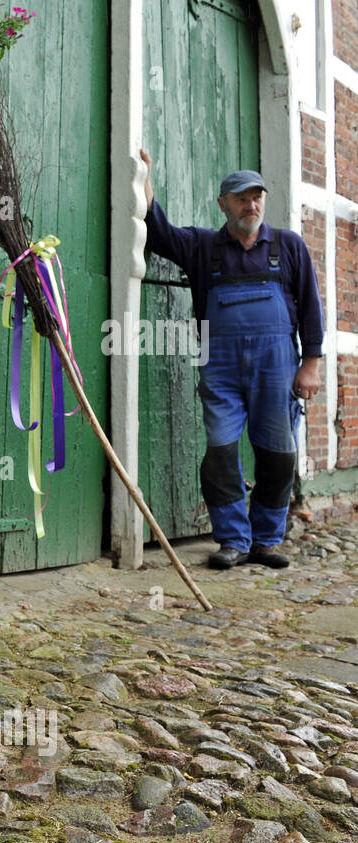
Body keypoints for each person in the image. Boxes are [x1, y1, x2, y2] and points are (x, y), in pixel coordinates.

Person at [140, 149, 324, 569]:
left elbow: (312, 306)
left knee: (278, 454)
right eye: (241, 198)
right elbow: (158, 230)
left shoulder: (288, 246)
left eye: (257, 197)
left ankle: (265, 540)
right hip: (220, 366)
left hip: (276, 366)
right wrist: (144, 175)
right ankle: (233, 540)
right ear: (223, 203)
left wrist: (310, 363)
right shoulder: (204, 246)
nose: (251, 204)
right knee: (221, 451)